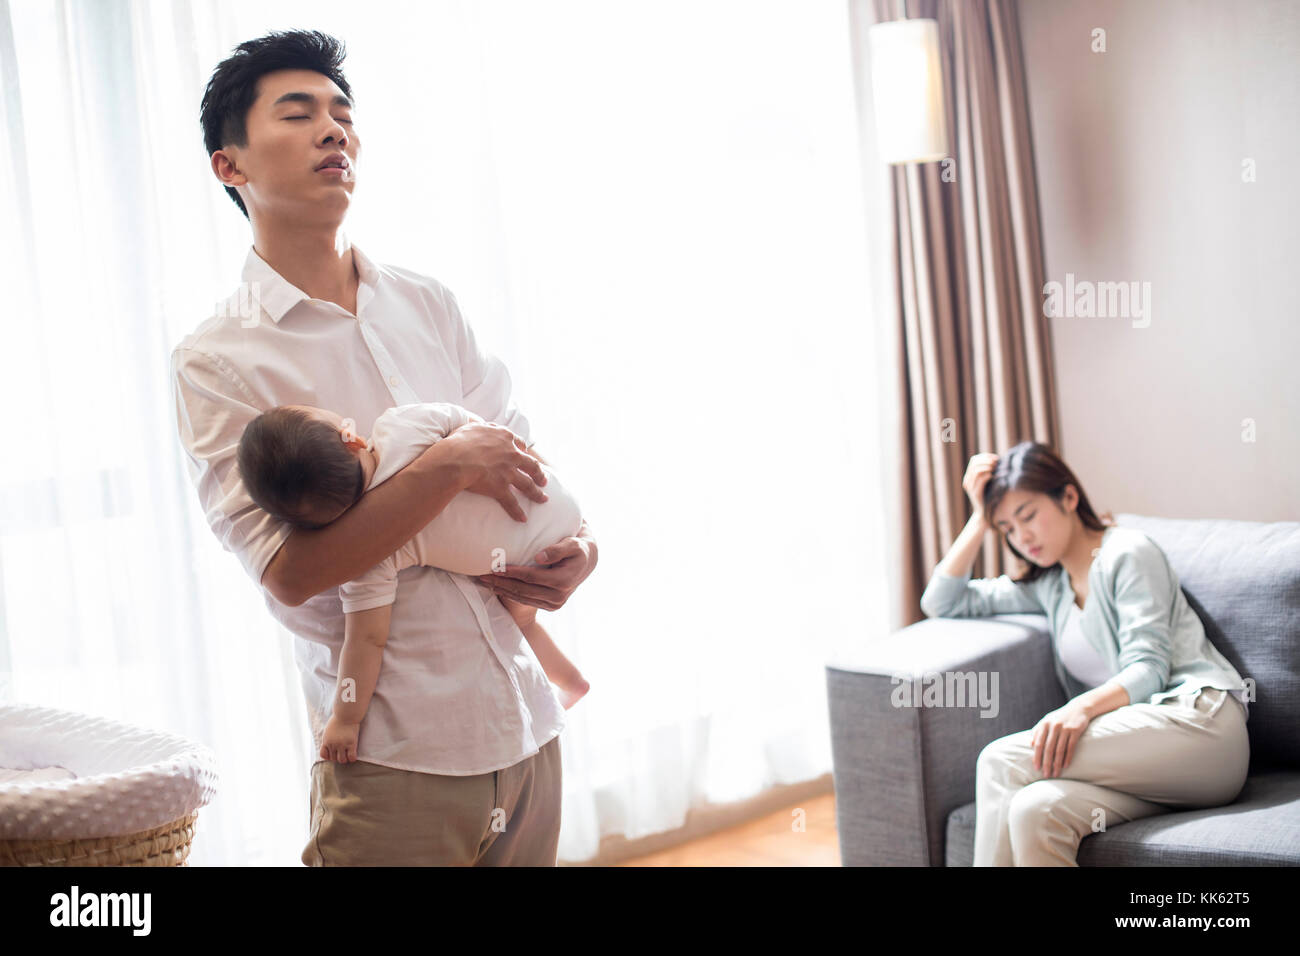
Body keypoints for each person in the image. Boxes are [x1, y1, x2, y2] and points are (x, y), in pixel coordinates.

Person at [171, 29, 597, 866]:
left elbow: (525, 462)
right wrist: (442, 469)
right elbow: (290, 574)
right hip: (393, 755)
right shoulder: (218, 360)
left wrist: (580, 551)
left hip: (524, 724)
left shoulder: (427, 301)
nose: (336, 131)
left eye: (342, 113)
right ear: (231, 167)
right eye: (299, 115)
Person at [919, 441, 1250, 866]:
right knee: (1035, 811)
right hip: (1150, 766)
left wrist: (1080, 708)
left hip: (1200, 728)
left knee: (1000, 762)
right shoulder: (1050, 587)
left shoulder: (1127, 553)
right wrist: (980, 519)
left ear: (1069, 497)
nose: (1022, 538)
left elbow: (1148, 668)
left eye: (1028, 515)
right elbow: (943, 601)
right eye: (1008, 528)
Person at [235, 400, 591, 764]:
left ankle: (572, 681)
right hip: (555, 500)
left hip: (532, 557)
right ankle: (575, 681)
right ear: (352, 440)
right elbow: (473, 425)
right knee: (521, 613)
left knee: (522, 620)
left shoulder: (371, 552)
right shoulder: (403, 424)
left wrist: (346, 719)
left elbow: (366, 641)